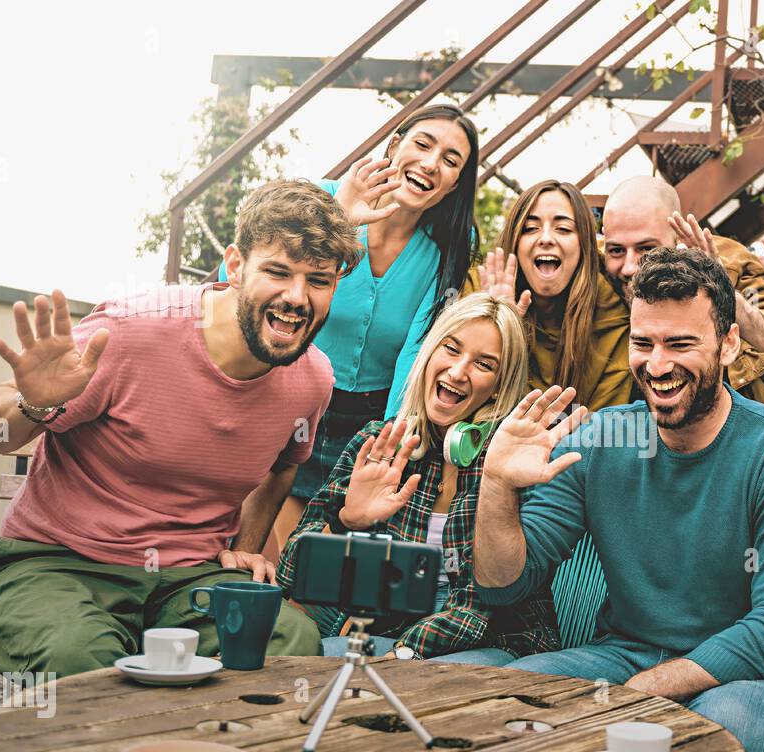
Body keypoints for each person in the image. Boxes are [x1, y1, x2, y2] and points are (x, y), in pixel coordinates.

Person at [472, 247, 764, 752]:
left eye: (681, 344)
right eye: (644, 344)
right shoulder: (603, 439)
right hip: (620, 658)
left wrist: (651, 688)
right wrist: (497, 484)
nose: (658, 365)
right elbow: (503, 585)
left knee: (721, 737)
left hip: (746, 679)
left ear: (730, 345)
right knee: (499, 706)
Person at [0, 179, 357, 677]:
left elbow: (283, 467)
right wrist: (33, 405)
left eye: (318, 281)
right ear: (235, 266)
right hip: (61, 561)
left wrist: (243, 550)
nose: (296, 297)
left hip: (190, 578)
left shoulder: (313, 379)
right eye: (277, 272)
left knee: (288, 642)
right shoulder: (131, 331)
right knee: (80, 660)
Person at [221, 104, 481, 557]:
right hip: (291, 394)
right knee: (260, 539)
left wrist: (392, 434)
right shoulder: (324, 200)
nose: (431, 163)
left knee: (321, 549)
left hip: (368, 414)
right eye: (423, 144)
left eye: (450, 160)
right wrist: (340, 218)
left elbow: (417, 346)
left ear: (455, 183)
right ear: (394, 145)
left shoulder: (452, 246)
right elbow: (269, 286)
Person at [278, 293, 558, 663]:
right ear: (429, 354)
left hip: (494, 642)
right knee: (316, 662)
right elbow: (291, 574)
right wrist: (347, 523)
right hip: (392, 637)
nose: (458, 372)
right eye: (451, 349)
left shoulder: (511, 460)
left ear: (500, 387)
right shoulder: (381, 443)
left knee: (437, 682)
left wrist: (404, 652)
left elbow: (487, 605)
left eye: (484, 365)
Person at [600, 176, 764, 409]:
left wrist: (721, 288)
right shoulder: (594, 268)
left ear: (678, 238)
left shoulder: (735, 265)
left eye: (646, 248)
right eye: (616, 250)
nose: (629, 267)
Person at [471, 180, 631, 411]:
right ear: (515, 243)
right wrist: (501, 327)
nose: (546, 238)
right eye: (530, 228)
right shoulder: (479, 290)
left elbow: (604, 431)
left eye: (563, 229)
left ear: (584, 246)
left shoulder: (612, 318)